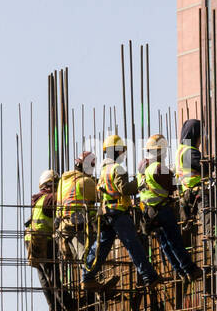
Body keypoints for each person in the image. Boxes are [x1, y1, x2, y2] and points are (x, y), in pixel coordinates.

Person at [83, 134, 159, 288]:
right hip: (118, 213)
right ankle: (149, 276)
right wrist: (141, 179)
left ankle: (87, 276)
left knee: (100, 246)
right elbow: (124, 189)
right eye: (122, 151)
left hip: (106, 213)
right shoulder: (117, 168)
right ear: (117, 151)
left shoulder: (104, 169)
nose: (124, 154)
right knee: (133, 245)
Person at [137, 133, 202, 282]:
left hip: (149, 213)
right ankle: (190, 269)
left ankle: (180, 271)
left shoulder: (143, 169)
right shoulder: (159, 168)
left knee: (165, 245)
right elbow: (174, 185)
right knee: (174, 241)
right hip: (162, 210)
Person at [24, 168, 75, 311]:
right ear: (50, 185)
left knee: (43, 277)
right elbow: (65, 197)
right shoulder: (49, 198)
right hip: (43, 240)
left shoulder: (39, 199)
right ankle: (70, 306)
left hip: (31, 240)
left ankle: (54, 308)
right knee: (53, 276)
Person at [55, 151, 99, 263]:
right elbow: (103, 196)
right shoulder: (86, 181)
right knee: (87, 255)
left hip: (63, 225)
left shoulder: (64, 180)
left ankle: (87, 277)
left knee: (80, 258)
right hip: (78, 224)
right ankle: (89, 278)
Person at [174, 118, 205, 222]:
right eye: (200, 137)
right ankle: (212, 233)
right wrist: (216, 162)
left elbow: (177, 176)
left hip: (187, 192)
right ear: (194, 135)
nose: (200, 141)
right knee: (208, 216)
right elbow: (203, 167)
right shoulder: (189, 151)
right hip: (196, 190)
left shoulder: (181, 150)